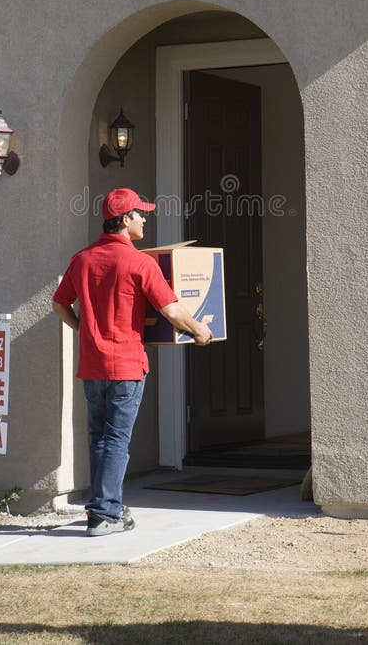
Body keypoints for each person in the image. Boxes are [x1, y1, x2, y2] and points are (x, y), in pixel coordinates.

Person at [52, 187, 212, 536]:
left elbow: (59, 303)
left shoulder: (81, 260)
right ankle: (105, 513)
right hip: (125, 365)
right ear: (125, 220)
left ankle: (102, 508)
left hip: (92, 367)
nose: (145, 218)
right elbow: (171, 310)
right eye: (141, 213)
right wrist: (199, 330)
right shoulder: (139, 262)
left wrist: (82, 329)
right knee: (116, 440)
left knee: (99, 438)